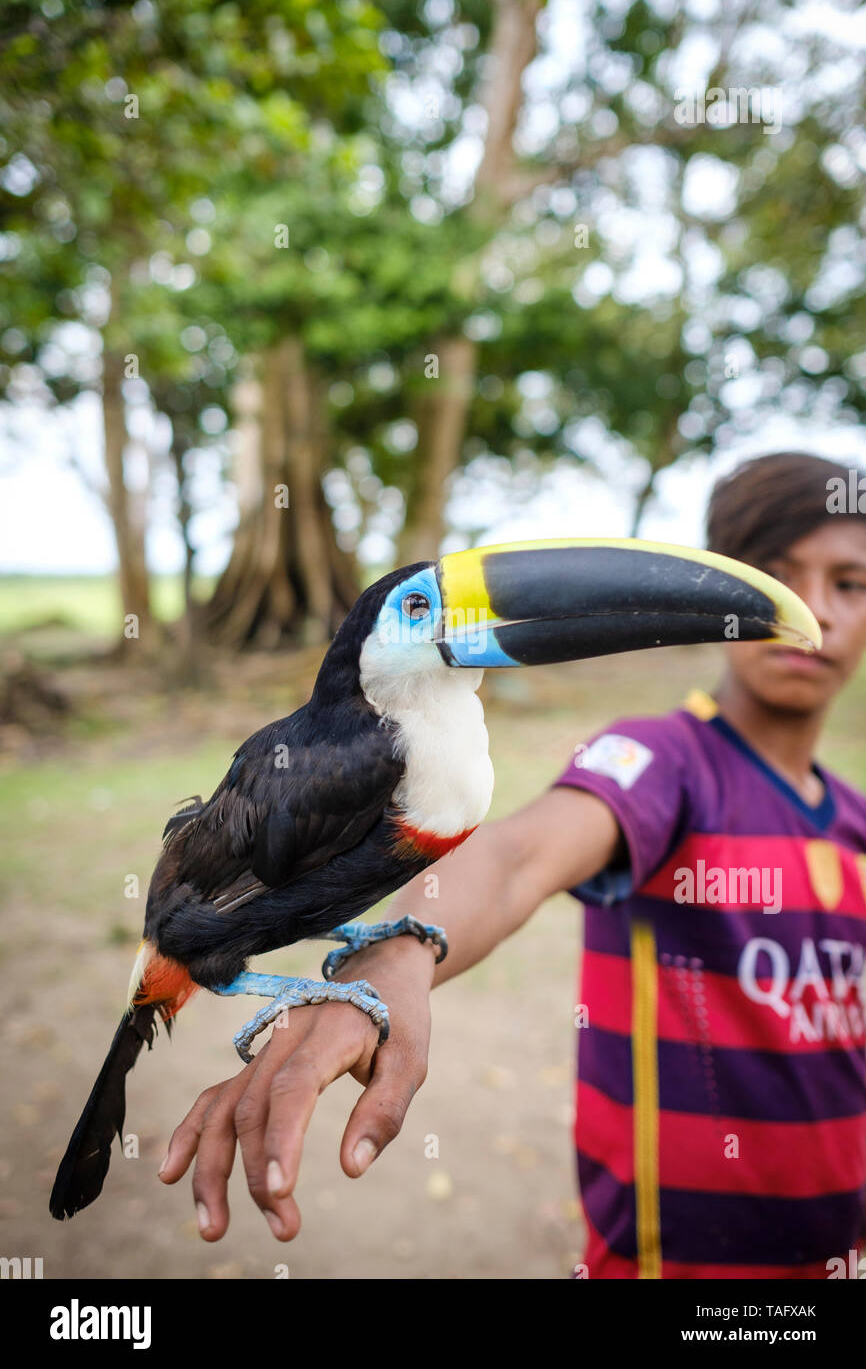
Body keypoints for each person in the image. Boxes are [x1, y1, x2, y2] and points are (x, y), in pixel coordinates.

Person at [159, 451, 866, 1278]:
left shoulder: (853, 820)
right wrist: (403, 958)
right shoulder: (660, 761)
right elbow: (515, 857)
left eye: (849, 583)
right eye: (779, 576)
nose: (816, 605)